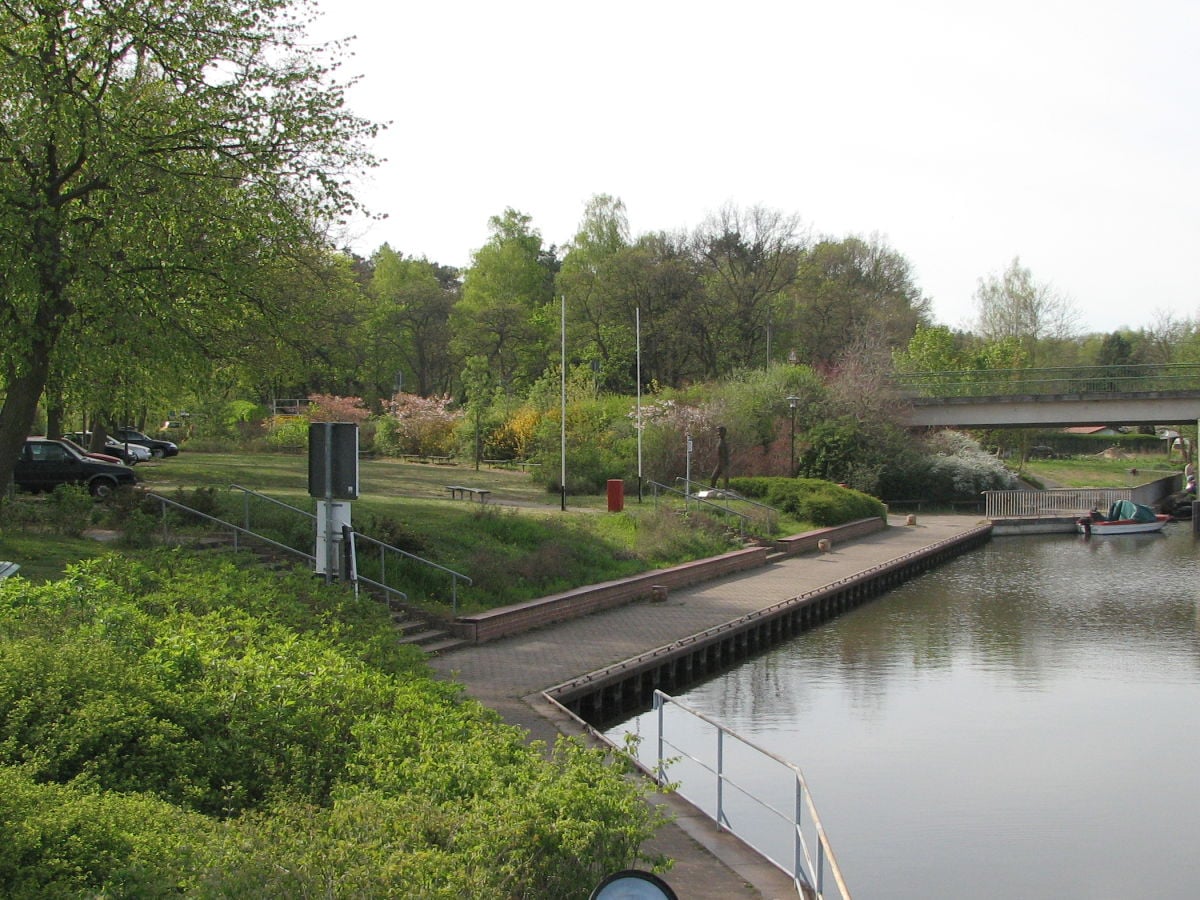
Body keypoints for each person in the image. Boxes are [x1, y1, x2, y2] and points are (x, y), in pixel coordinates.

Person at [709, 425, 730, 490]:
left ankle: (726, 490)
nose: (718, 433)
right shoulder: (720, 442)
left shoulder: (723, 443)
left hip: (723, 463)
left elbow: (725, 454)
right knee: (713, 477)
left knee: (725, 477)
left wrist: (725, 464)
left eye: (720, 431)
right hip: (719, 463)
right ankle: (712, 490)